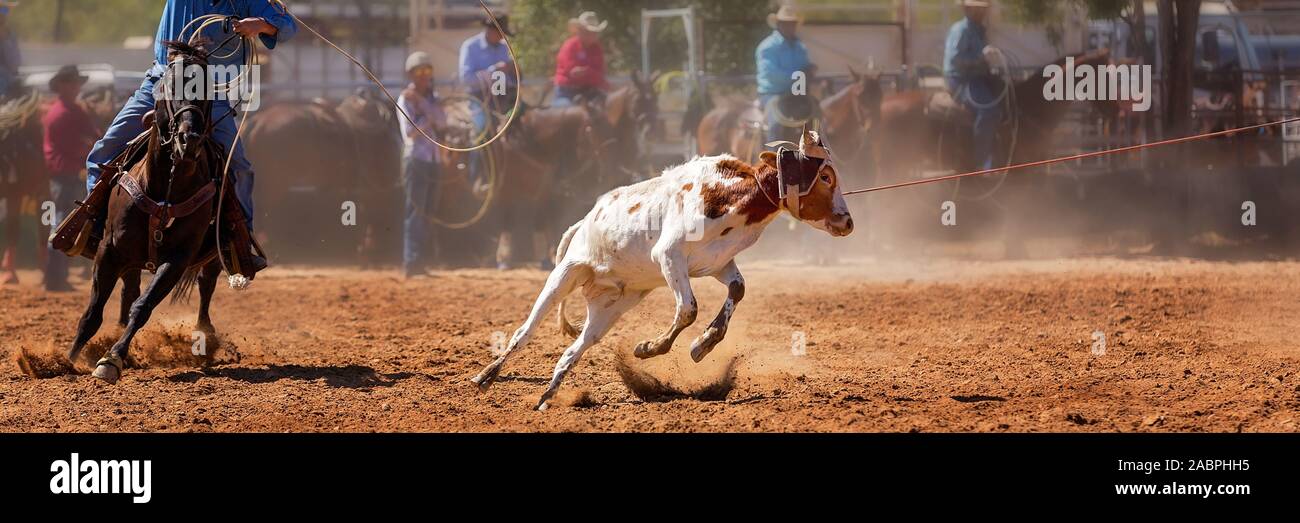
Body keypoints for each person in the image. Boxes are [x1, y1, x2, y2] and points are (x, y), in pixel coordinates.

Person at [79, 0, 297, 280]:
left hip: (209, 90)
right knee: (104, 149)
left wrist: (260, 25)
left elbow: (288, 27)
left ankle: (237, 243)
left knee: (238, 165)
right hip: (163, 80)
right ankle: (93, 225)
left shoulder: (246, 1)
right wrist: (234, 25)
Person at [42, 66, 98, 292]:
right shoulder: (65, 113)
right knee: (61, 225)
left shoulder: (67, 110)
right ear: (63, 86)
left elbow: (90, 135)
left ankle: (56, 276)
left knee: (60, 223)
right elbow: (78, 143)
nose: (77, 87)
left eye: (77, 84)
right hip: (67, 175)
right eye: (73, 83)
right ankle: (55, 277)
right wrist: (91, 150)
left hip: (65, 174)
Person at [397, 52, 447, 279]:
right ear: (411, 75)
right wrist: (429, 116)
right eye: (420, 72)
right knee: (415, 212)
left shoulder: (431, 98)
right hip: (416, 160)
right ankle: (411, 263)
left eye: (427, 71)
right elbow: (410, 133)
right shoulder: (406, 99)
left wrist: (425, 107)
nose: (425, 76)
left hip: (433, 160)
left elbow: (443, 121)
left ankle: (421, 262)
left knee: (426, 213)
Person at [458, 14, 515, 188]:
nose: (501, 37)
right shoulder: (470, 46)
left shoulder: (504, 48)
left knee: (521, 124)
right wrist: (493, 70)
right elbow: (466, 79)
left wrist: (512, 72)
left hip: (502, 96)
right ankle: (476, 178)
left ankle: (513, 175)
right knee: (482, 130)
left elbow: (509, 79)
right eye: (500, 33)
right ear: (491, 30)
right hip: (478, 99)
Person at [943, 0, 1002, 170]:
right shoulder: (961, 30)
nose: (983, 12)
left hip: (976, 78)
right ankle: (980, 164)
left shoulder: (978, 30)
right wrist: (980, 59)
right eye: (979, 9)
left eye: (983, 9)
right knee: (988, 111)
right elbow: (955, 60)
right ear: (969, 9)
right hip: (961, 79)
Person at [756, 5, 815, 144]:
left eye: (793, 24)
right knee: (776, 123)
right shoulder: (767, 47)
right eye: (787, 23)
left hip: (797, 94)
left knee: (819, 117)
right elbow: (771, 74)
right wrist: (799, 75)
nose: (791, 27)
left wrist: (810, 71)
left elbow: (804, 66)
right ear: (779, 24)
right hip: (772, 94)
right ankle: (771, 161)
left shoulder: (800, 47)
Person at [552, 11, 608, 107]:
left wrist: (587, 72)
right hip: (567, 91)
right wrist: (590, 72)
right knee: (566, 110)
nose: (592, 35)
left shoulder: (597, 49)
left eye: (594, 32)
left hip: (589, 91)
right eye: (588, 32)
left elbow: (599, 72)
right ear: (580, 31)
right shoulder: (570, 46)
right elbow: (571, 71)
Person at [0, 2, 21, 98]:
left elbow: (15, 65)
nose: (3, 14)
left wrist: (5, 40)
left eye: (5, 10)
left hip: (8, 83)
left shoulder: (10, 35)